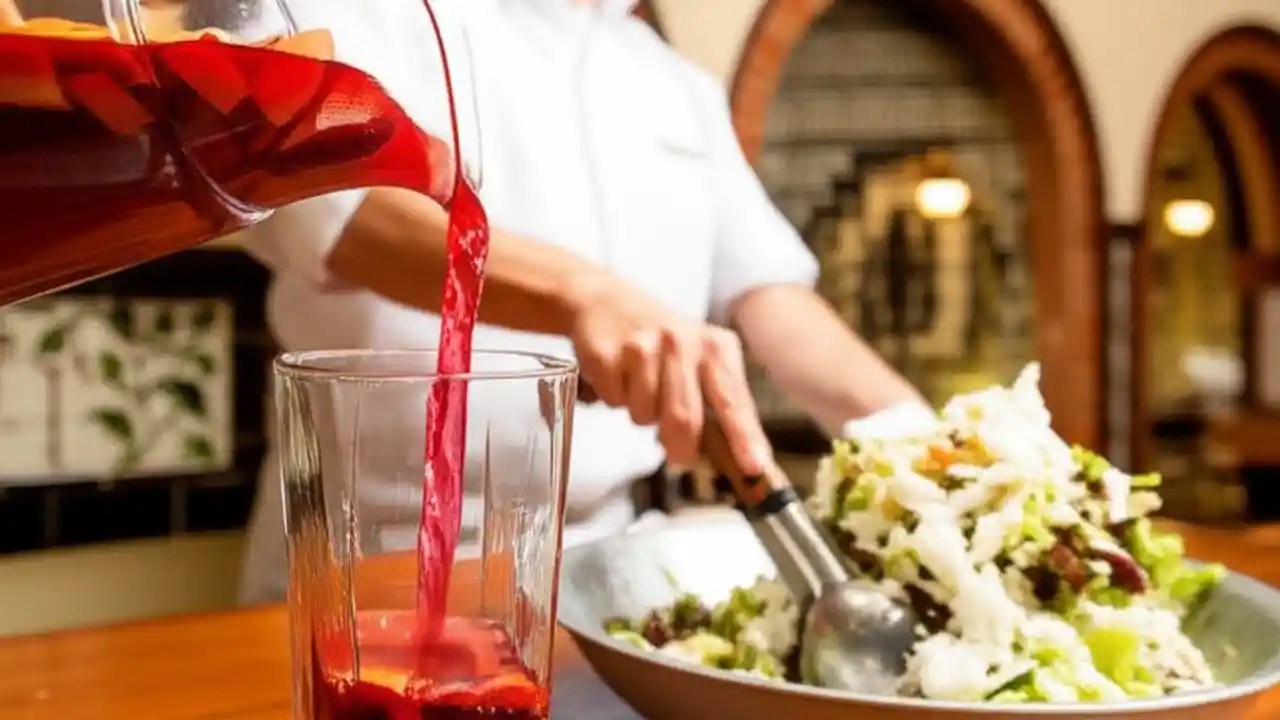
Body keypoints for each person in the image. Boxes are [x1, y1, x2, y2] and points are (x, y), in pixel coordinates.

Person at [237, 0, 925, 605]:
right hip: (360, 568)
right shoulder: (365, 13)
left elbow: (771, 293)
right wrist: (585, 295)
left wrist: (932, 445)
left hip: (601, 568)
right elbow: (337, 209)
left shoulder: (674, 82)